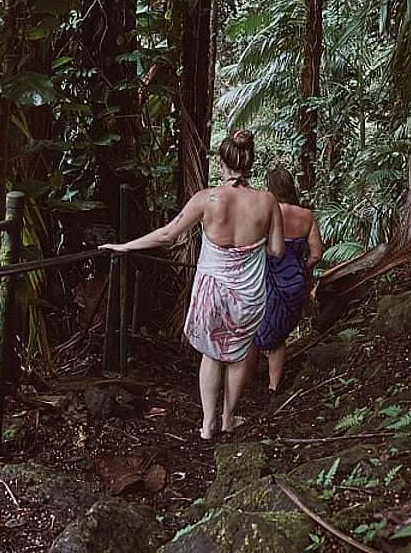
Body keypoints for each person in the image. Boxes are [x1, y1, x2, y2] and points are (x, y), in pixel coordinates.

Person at [101, 129, 284, 440]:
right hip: (249, 293)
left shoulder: (207, 199)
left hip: (211, 291)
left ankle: (207, 424)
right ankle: (228, 419)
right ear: (251, 163)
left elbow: (167, 234)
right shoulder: (268, 202)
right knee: (238, 354)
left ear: (223, 164)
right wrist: (252, 245)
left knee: (212, 355)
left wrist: (126, 246)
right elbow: (277, 250)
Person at [248, 167, 323, 393]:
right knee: (279, 334)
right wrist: (300, 267)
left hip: (265, 278)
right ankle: (273, 386)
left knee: (253, 330)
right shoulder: (306, 216)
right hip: (293, 283)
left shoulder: (266, 212)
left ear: (270, 188)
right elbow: (317, 254)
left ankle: (248, 383)